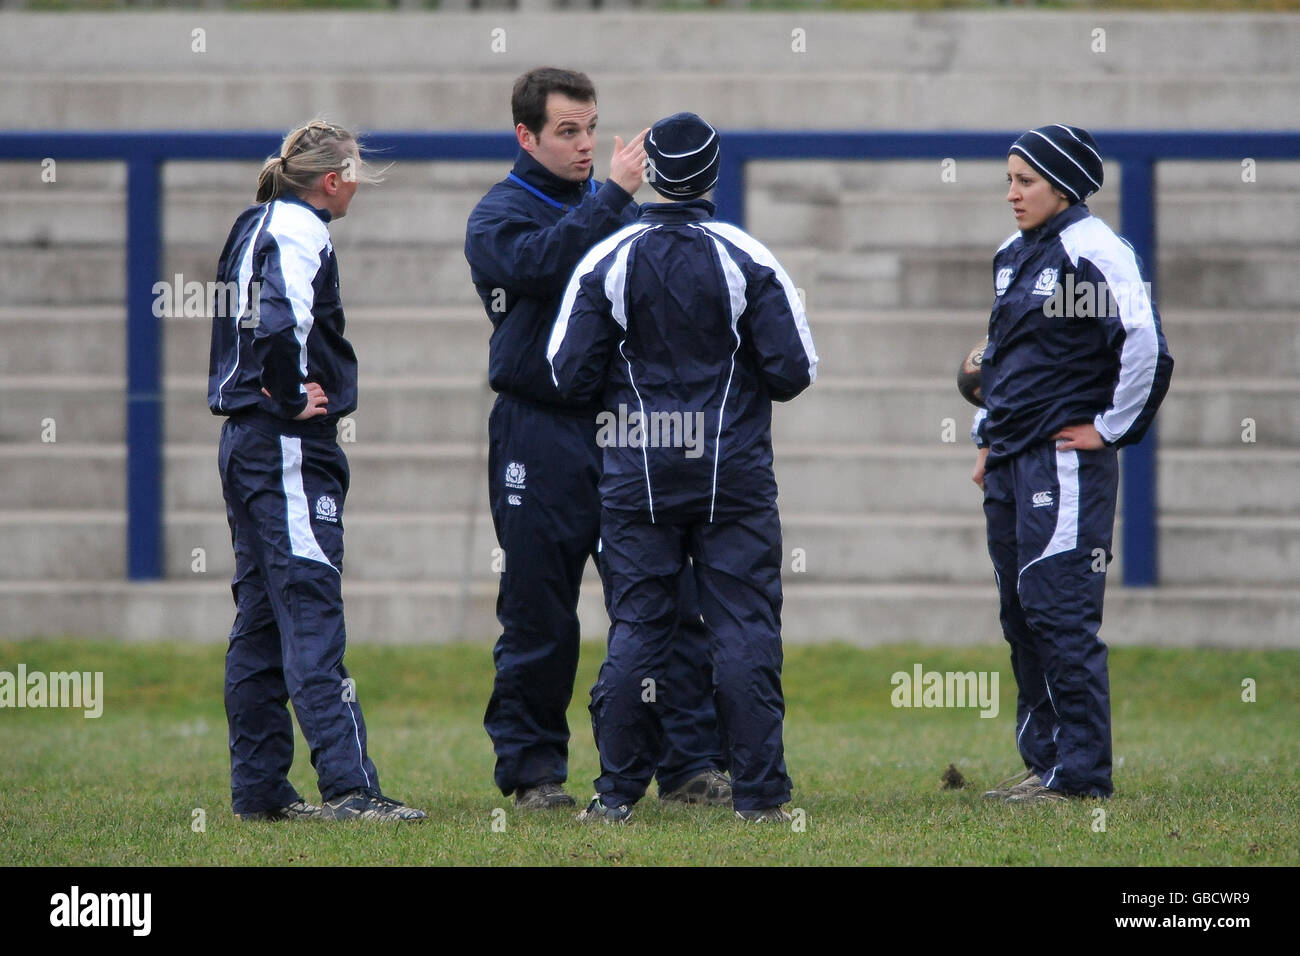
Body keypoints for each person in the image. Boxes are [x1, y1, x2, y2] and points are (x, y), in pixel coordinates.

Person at [464, 69, 730, 810]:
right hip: (537, 431)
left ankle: (687, 764)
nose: (586, 146)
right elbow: (538, 265)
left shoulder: (613, 211)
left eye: (591, 128)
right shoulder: (500, 214)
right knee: (538, 608)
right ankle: (534, 773)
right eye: (567, 132)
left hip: (623, 433)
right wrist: (614, 198)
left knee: (664, 601)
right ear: (527, 136)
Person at [548, 112, 818, 823]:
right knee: (745, 628)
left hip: (637, 479)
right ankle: (759, 799)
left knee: (637, 627)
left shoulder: (609, 256)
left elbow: (566, 373)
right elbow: (794, 371)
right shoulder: (747, 256)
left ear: (654, 174)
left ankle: (614, 798)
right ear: (713, 175)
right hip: (733, 476)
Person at [208, 120, 426, 822]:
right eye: (356, 174)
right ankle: (350, 787)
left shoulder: (253, 223)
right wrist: (294, 391)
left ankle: (261, 789)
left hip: (244, 442)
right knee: (309, 610)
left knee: (263, 621)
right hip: (283, 447)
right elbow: (278, 321)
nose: (359, 185)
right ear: (333, 180)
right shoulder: (304, 229)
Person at [971, 124, 1173, 802]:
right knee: (1021, 610)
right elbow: (1004, 356)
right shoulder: (1011, 255)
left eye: (1024, 182)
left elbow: (1146, 343)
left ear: (1063, 185)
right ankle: (1045, 761)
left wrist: (1112, 428)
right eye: (1009, 180)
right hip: (1010, 462)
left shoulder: (1094, 250)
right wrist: (986, 434)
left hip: (1062, 465)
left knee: (1059, 609)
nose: (1012, 194)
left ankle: (1082, 775)